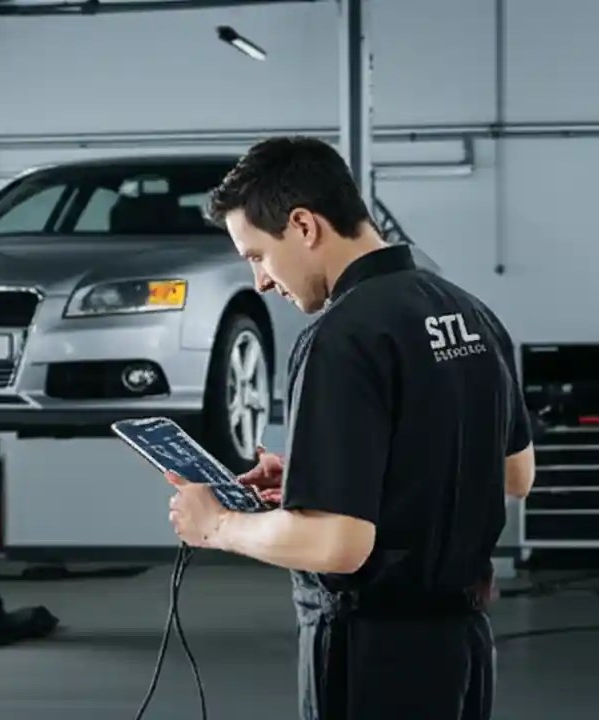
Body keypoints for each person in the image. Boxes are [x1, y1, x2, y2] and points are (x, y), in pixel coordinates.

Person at [162, 136, 537, 720]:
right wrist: (335, 475)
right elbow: (514, 475)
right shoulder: (467, 310)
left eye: (257, 255)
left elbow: (336, 546)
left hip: (372, 657)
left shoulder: (341, 335)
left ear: (303, 225)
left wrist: (217, 525)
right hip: (462, 647)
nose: (261, 281)